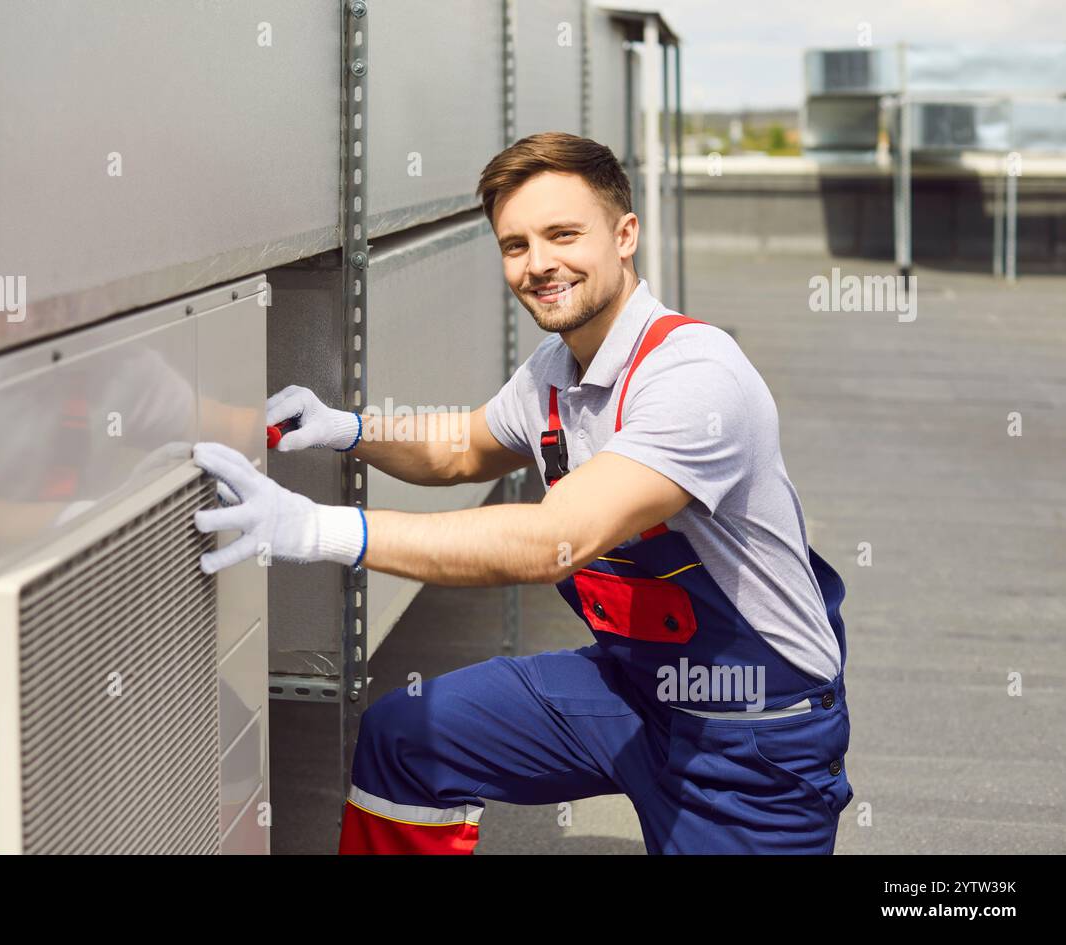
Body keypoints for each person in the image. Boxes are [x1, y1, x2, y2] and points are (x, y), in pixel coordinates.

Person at [191, 131, 853, 855]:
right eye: (515, 244)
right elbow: (468, 446)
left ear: (625, 234)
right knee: (407, 736)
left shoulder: (696, 378)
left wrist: (317, 529)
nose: (539, 264)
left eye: (563, 234)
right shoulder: (556, 368)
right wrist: (345, 427)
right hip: (632, 688)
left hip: (749, 732)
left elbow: (550, 542)